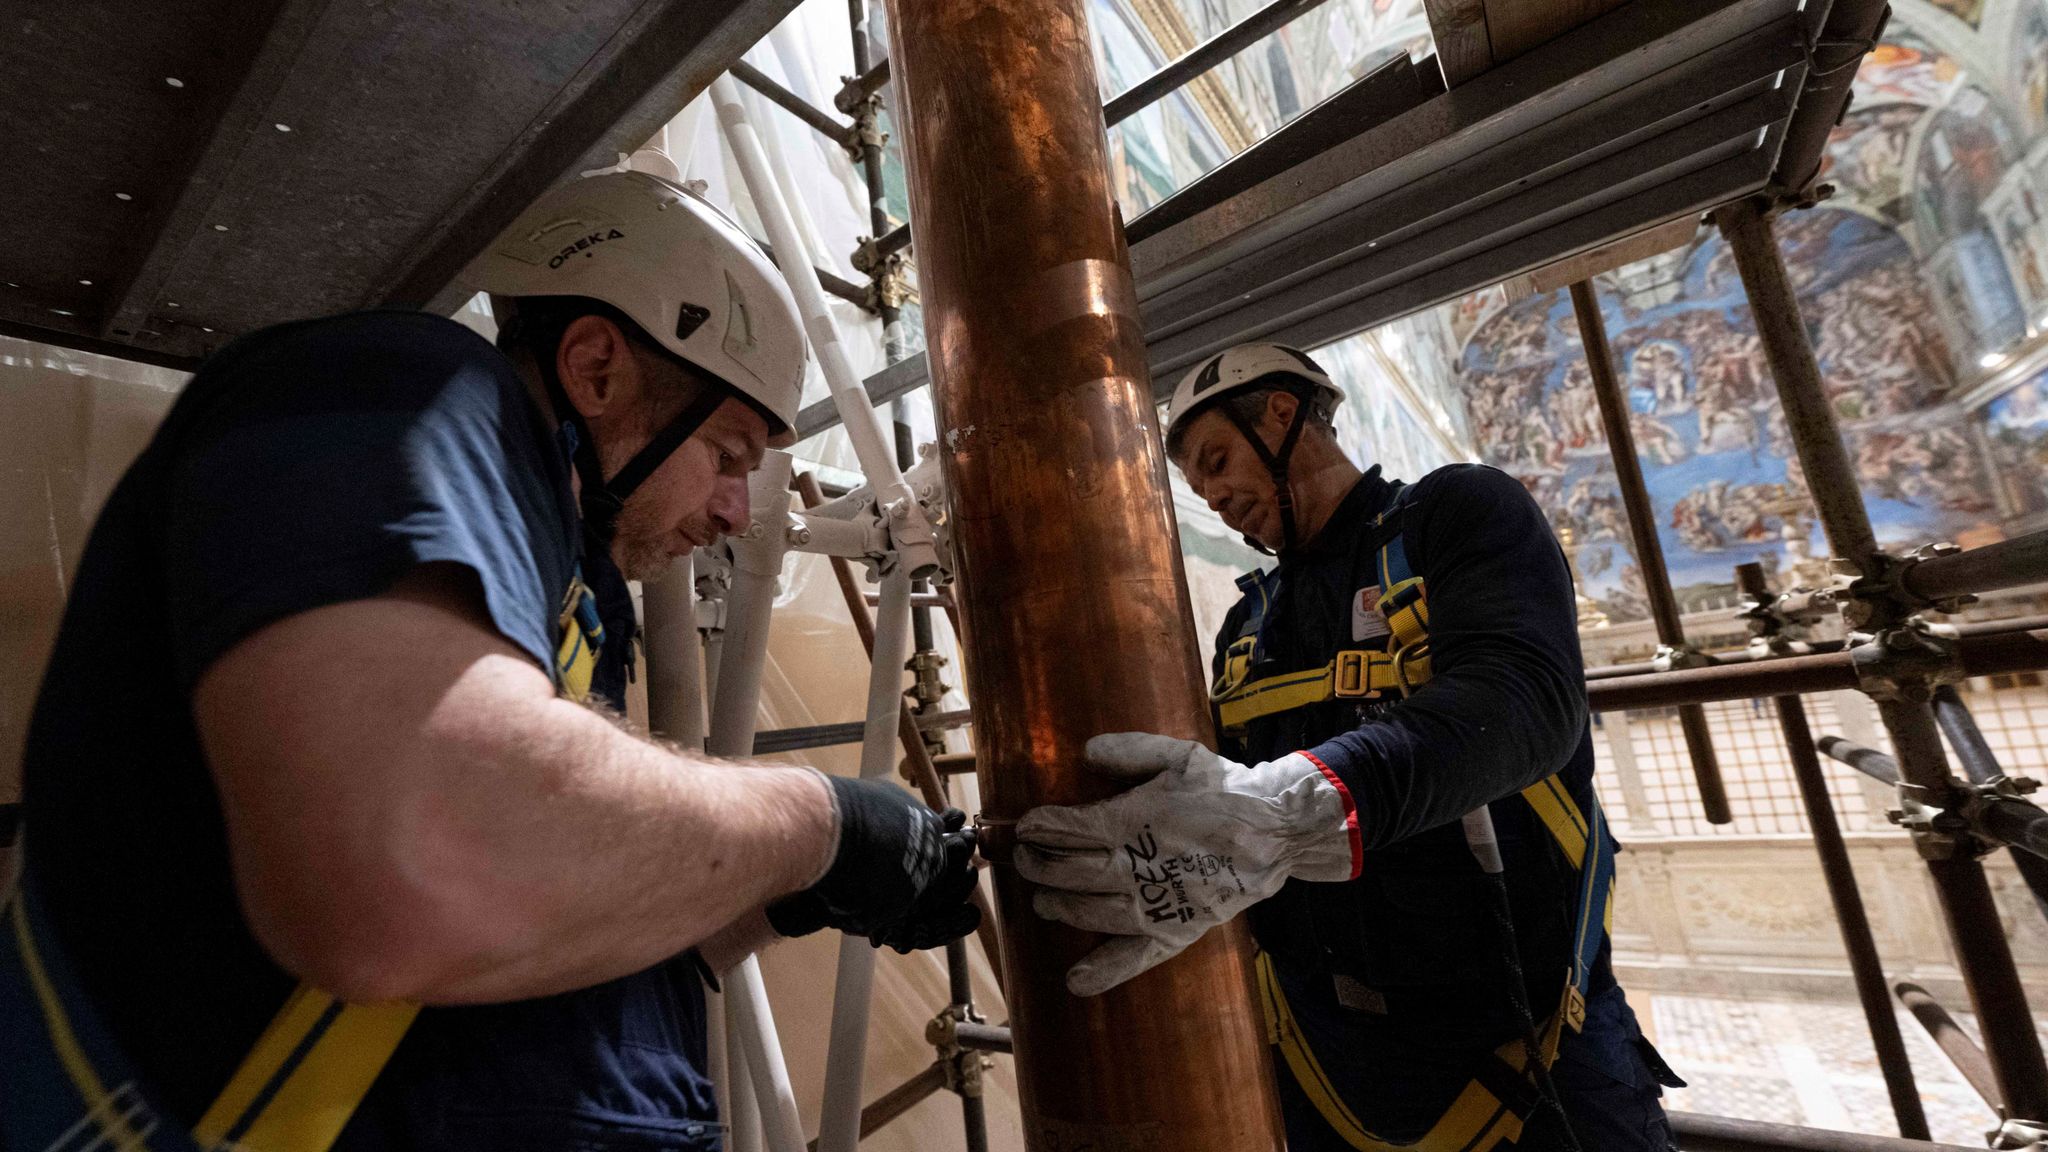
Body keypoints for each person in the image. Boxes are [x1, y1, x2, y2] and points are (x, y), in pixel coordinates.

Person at [2, 166, 979, 1152]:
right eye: (727, 455)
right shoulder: (403, 389)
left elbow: (548, 905)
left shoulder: (563, 573)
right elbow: (413, 871)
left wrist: (788, 889)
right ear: (594, 367)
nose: (733, 512)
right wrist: (817, 824)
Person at [1015, 343, 1680, 1151]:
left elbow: (1527, 699)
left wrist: (1294, 806)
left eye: (1219, 462)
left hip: (1530, 1042)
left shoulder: (1455, 516)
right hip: (1327, 1061)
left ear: (1283, 415)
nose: (1216, 497)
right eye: (1198, 486)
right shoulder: (1246, 630)